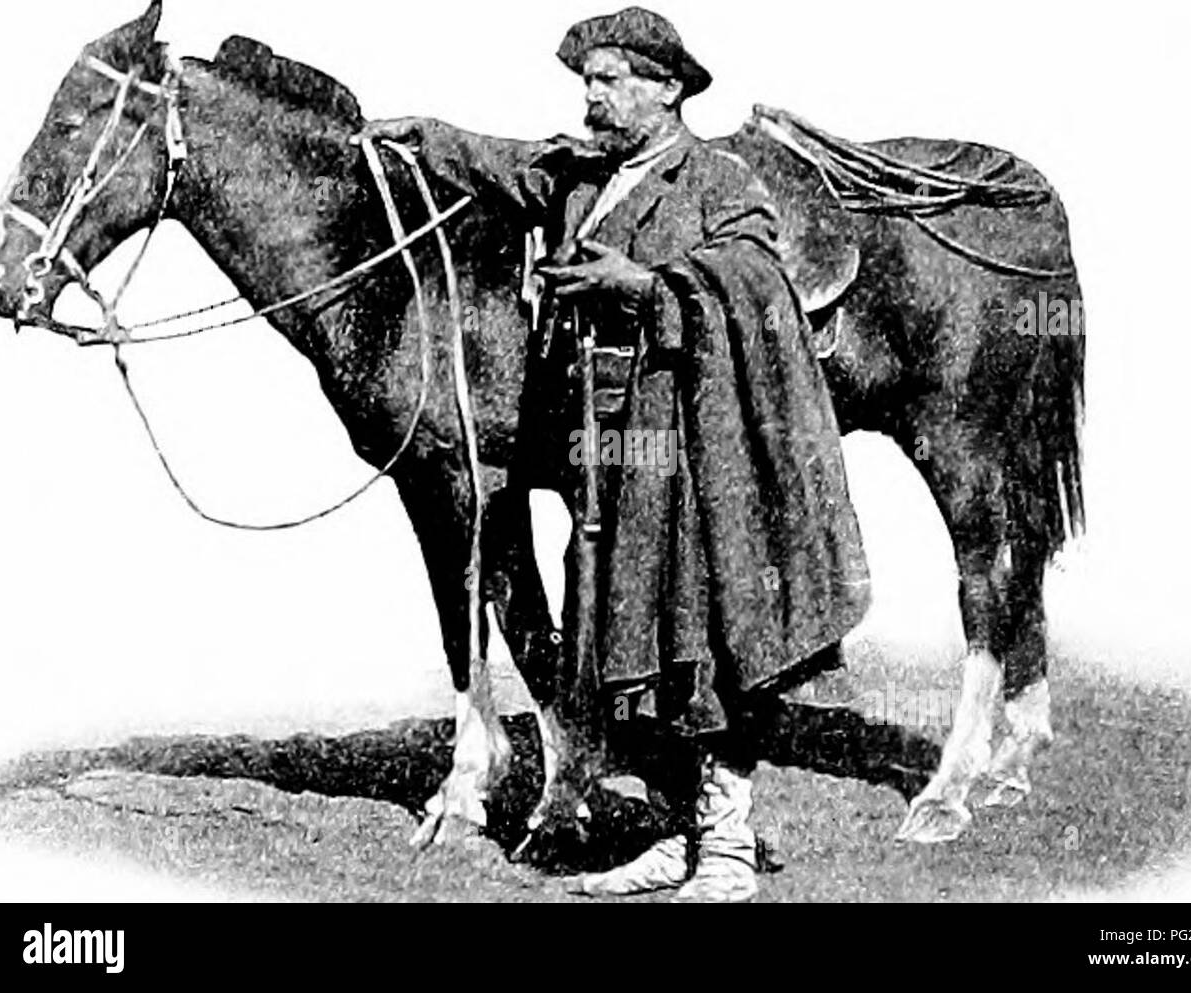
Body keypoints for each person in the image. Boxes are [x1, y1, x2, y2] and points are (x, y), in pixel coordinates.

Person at [356, 6, 869, 902]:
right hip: (609, 458)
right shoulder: (583, 178)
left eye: (610, 81)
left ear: (666, 88)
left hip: (690, 455)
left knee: (696, 635)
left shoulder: (716, 180)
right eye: (587, 81)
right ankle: (675, 830)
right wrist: (420, 135)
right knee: (624, 636)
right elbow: (499, 162)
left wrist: (640, 285)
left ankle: (728, 849)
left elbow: (752, 281)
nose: (592, 96)